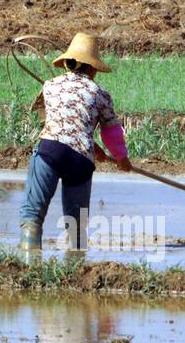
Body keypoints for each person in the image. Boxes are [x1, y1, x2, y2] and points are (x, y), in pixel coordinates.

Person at [19, 32, 131, 252]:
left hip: (50, 151)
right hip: (80, 161)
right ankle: (78, 268)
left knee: (32, 215)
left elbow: (54, 121)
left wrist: (89, 142)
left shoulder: (50, 86)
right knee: (76, 225)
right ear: (92, 68)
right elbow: (111, 132)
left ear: (68, 64)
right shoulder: (100, 94)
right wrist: (122, 159)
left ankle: (28, 268)